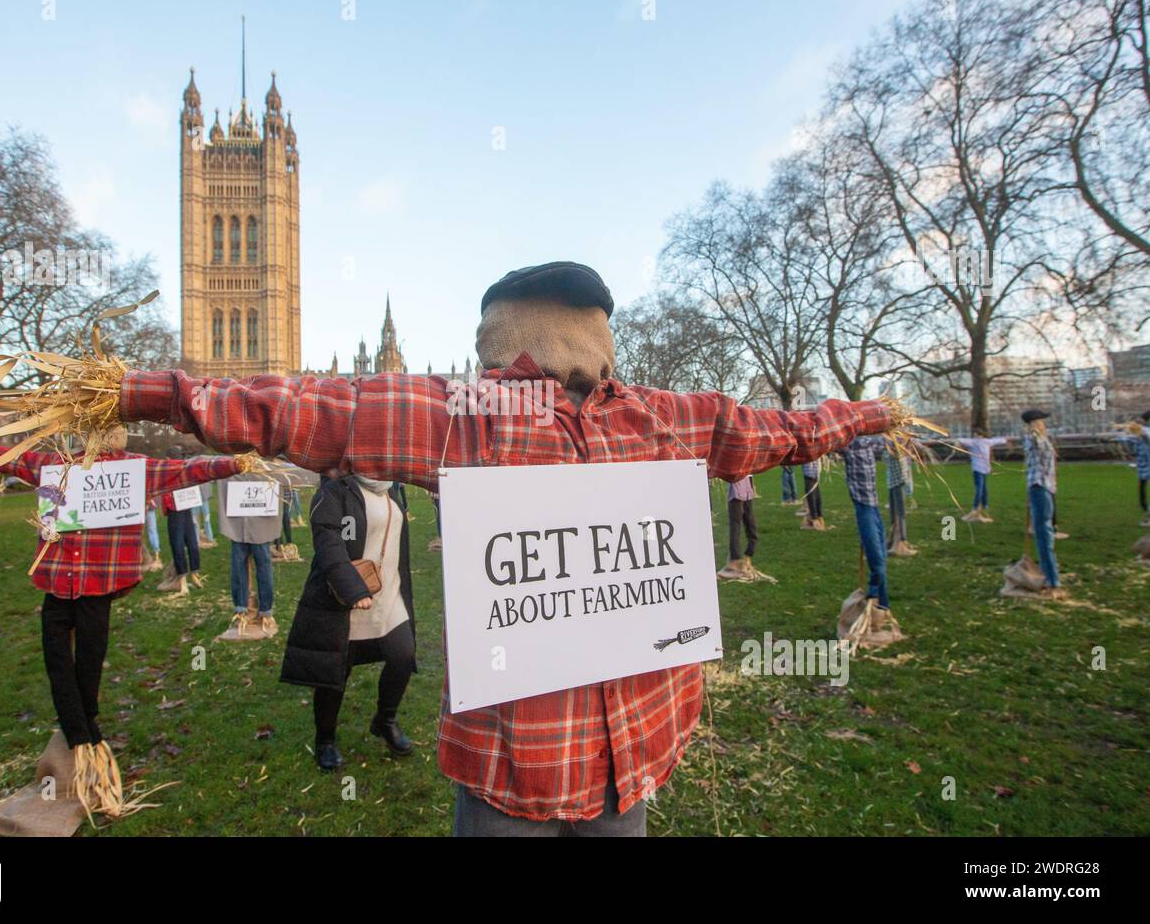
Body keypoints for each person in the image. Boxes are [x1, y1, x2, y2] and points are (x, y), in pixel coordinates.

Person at [116, 260, 894, 836]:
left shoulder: (469, 416)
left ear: (501, 337)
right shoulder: (666, 418)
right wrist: (869, 414)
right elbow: (782, 432)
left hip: (518, 768)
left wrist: (144, 392)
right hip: (634, 751)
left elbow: (317, 411)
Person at [0, 430, 246, 749]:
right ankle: (80, 731)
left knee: (68, 661)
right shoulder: (60, 465)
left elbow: (10, 460)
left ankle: (83, 729)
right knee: (79, 660)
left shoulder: (129, 469)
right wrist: (235, 464)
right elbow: (189, 469)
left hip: (89, 582)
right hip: (67, 583)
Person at [280, 473, 416, 771]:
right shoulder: (335, 493)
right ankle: (325, 739)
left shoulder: (389, 489)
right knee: (336, 673)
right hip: (346, 600)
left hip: (388, 596)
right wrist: (352, 589)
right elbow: (329, 545)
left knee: (403, 656)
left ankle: (385, 719)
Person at [836, 435, 899, 629]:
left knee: (882, 564)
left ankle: (882, 610)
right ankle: (871, 601)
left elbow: (894, 442)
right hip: (864, 511)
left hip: (874, 510)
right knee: (877, 565)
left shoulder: (871, 441)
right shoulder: (847, 444)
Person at [217, 471, 282, 640]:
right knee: (243, 566)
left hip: (256, 524)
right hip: (240, 525)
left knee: (259, 566)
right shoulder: (235, 469)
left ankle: (263, 612)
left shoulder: (263, 469)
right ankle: (244, 610)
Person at [1021, 409, 1064, 598]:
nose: (1043, 424)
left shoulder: (1039, 439)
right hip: (1040, 488)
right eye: (1040, 421)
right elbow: (1034, 441)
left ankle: (1052, 580)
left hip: (1042, 489)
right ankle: (1051, 579)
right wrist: (1033, 432)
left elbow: (1037, 444)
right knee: (1043, 534)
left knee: (1043, 536)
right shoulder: (1035, 438)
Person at [160, 445, 206, 593]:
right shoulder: (187, 467)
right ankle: (195, 572)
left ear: (168, 458)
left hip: (174, 509)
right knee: (191, 540)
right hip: (187, 506)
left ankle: (182, 580)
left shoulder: (167, 470)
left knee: (177, 543)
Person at [956, 430, 1008, 522]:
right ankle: (984, 506)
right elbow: (998, 440)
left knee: (980, 489)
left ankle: (976, 508)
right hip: (984, 469)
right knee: (983, 488)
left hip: (978, 469)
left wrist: (957, 444)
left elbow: (959, 440)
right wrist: (1005, 439)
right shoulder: (986, 442)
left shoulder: (973, 442)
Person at [718, 475, 761, 579]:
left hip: (738, 487)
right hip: (746, 486)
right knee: (749, 519)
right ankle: (747, 556)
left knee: (736, 524)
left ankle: (735, 562)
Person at [886, 447, 916, 556]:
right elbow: (898, 454)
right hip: (898, 481)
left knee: (895, 513)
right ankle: (899, 544)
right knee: (900, 513)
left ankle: (894, 541)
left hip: (893, 481)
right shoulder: (894, 442)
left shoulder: (890, 442)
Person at [1129, 411, 1150, 526]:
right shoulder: (1140, 432)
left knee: (1143, 491)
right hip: (1144, 467)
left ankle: (1148, 517)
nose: (1138, 421)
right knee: (1142, 491)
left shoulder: (1145, 432)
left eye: (1141, 419)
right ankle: (1147, 513)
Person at [800, 458, 825, 530]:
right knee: (816, 491)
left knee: (811, 494)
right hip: (816, 468)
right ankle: (819, 518)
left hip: (810, 468)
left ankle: (814, 520)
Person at [197, 478, 217, 547]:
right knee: (194, 521)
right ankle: (196, 540)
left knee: (207, 519)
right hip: (194, 499)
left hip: (204, 498)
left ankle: (210, 538)